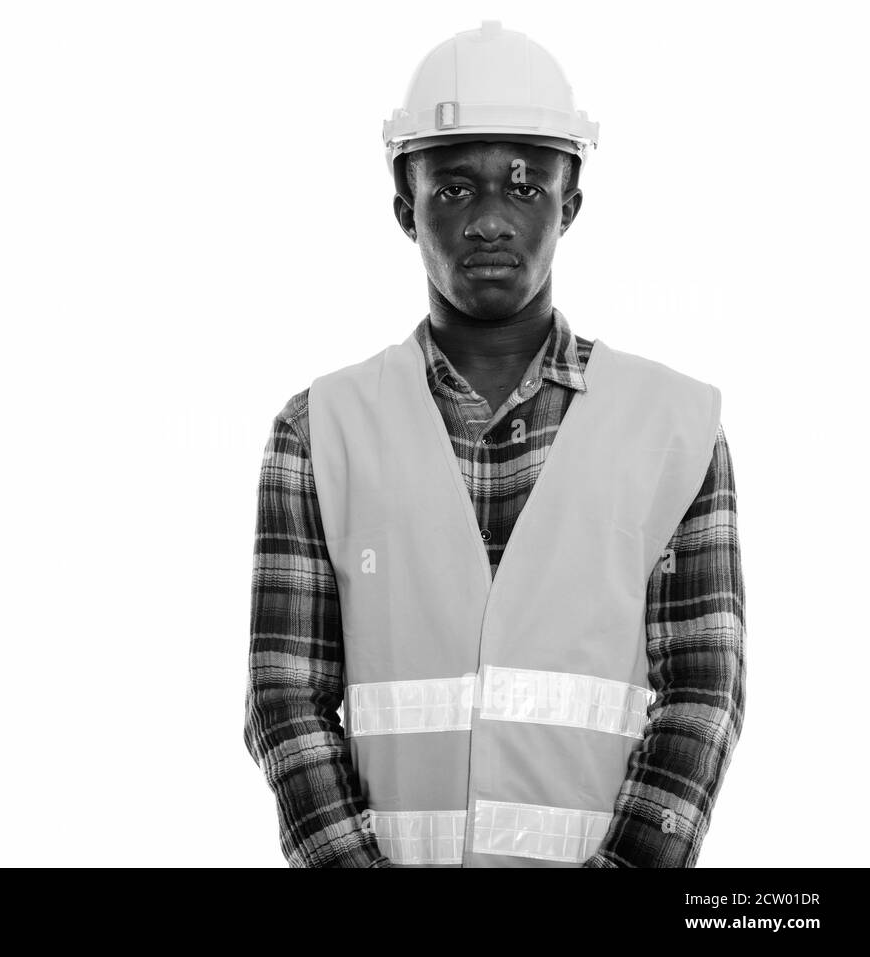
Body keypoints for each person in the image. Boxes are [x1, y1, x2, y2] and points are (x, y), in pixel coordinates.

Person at [242, 21, 746, 868]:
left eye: (524, 187)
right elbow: (285, 700)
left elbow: (703, 696)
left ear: (569, 204)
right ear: (406, 208)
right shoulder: (317, 431)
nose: (487, 221)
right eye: (453, 190)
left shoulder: (675, 429)